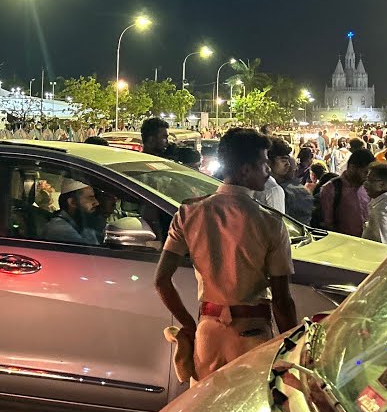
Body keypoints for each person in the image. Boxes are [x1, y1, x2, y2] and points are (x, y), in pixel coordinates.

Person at [154, 128, 298, 383]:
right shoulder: (271, 223)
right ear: (245, 170)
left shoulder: (189, 213)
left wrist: (190, 326)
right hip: (252, 335)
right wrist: (292, 348)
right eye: (263, 163)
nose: (268, 170)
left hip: (207, 334)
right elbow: (281, 300)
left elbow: (161, 281)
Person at [318, 149, 374, 237]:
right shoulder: (332, 188)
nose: (367, 177)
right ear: (352, 167)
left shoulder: (367, 187)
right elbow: (327, 223)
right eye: (365, 172)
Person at [43, 180, 103, 245]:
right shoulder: (61, 229)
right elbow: (90, 252)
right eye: (90, 198)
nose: (97, 203)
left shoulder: (77, 224)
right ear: (72, 202)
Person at [254, 137, 289, 213]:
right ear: (269, 160)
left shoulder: (251, 181)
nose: (288, 164)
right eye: (283, 160)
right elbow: (277, 223)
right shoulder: (273, 190)